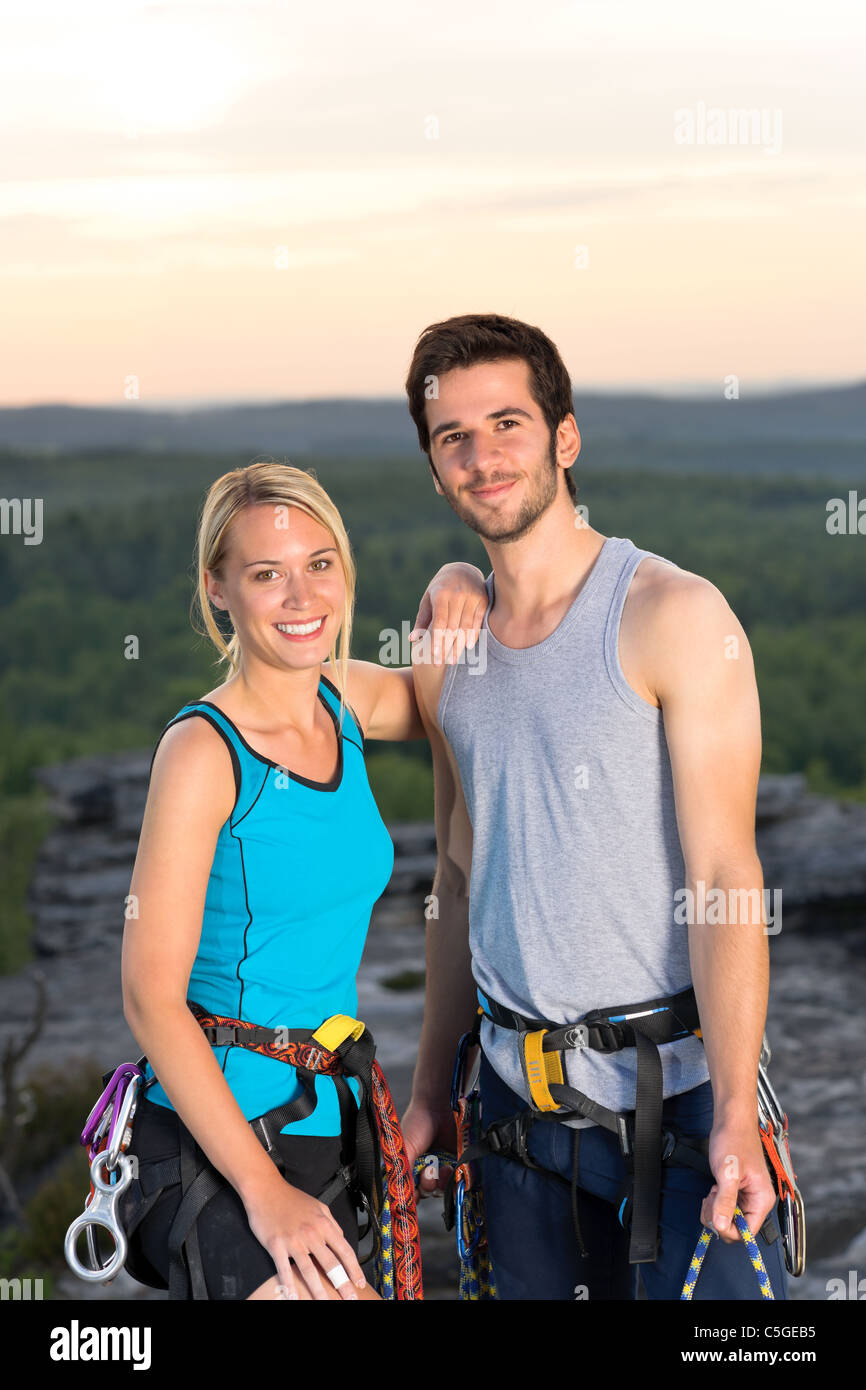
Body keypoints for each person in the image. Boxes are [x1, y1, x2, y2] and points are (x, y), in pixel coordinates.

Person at [400, 312, 790, 1300]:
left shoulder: (670, 614)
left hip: (677, 1107)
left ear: (564, 437)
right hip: (508, 1123)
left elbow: (723, 878)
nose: (482, 457)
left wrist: (738, 1115)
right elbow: (455, 869)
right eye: (453, 437)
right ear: (432, 464)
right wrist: (429, 1091)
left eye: (507, 424)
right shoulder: (448, 643)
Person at [121, 459, 488, 1301]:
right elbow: (148, 997)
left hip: (329, 1124)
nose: (300, 596)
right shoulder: (204, 752)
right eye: (265, 574)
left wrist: (458, 574)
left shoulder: (343, 699)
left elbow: (454, 693)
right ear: (218, 590)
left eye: (319, 564)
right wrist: (263, 1192)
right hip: (218, 1134)